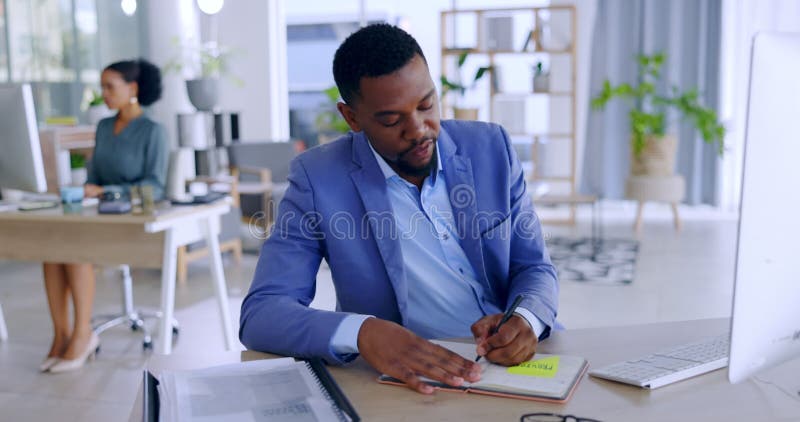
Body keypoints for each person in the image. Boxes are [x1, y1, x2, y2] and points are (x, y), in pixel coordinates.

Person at [240, 24, 559, 394]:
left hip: (514, 368)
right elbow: (262, 313)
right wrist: (363, 331)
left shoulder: (492, 148)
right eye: (392, 119)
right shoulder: (318, 179)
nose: (418, 129)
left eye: (426, 105)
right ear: (352, 118)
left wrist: (526, 319)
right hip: (410, 383)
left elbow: (534, 266)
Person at [41, 59, 168, 373]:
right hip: (97, 214)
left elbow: (155, 185)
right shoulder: (102, 126)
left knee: (74, 247)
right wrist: (87, 189)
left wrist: (108, 190)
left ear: (133, 88)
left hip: (131, 219)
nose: (104, 94)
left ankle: (84, 335)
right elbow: (93, 174)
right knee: (51, 249)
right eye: (102, 87)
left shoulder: (154, 131)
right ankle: (61, 336)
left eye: (110, 86)